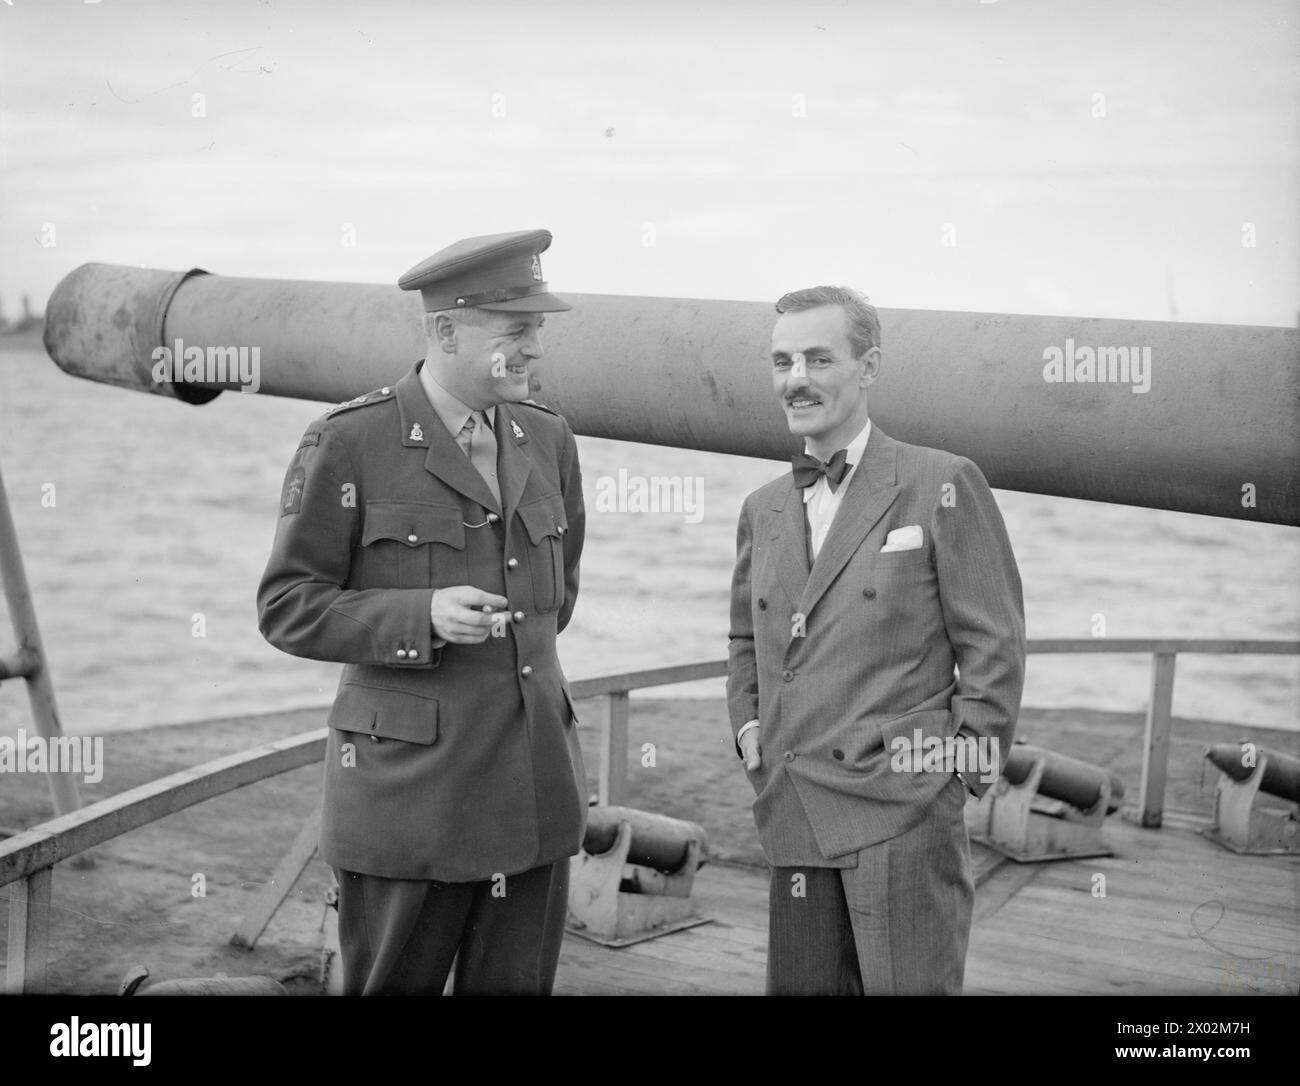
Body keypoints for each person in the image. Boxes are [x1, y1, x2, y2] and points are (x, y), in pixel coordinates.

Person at [257, 229, 587, 995]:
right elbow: (286, 607)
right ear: (446, 331)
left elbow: (556, 601)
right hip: (411, 803)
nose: (536, 347)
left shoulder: (548, 438)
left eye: (538, 328)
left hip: (533, 794)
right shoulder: (349, 443)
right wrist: (422, 615)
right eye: (517, 330)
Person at [726, 284, 1026, 995]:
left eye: (819, 358)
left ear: (869, 367)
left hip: (903, 817)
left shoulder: (942, 483)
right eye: (782, 361)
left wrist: (955, 777)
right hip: (794, 807)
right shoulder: (761, 508)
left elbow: (996, 647)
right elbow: (746, 638)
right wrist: (747, 728)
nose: (796, 379)